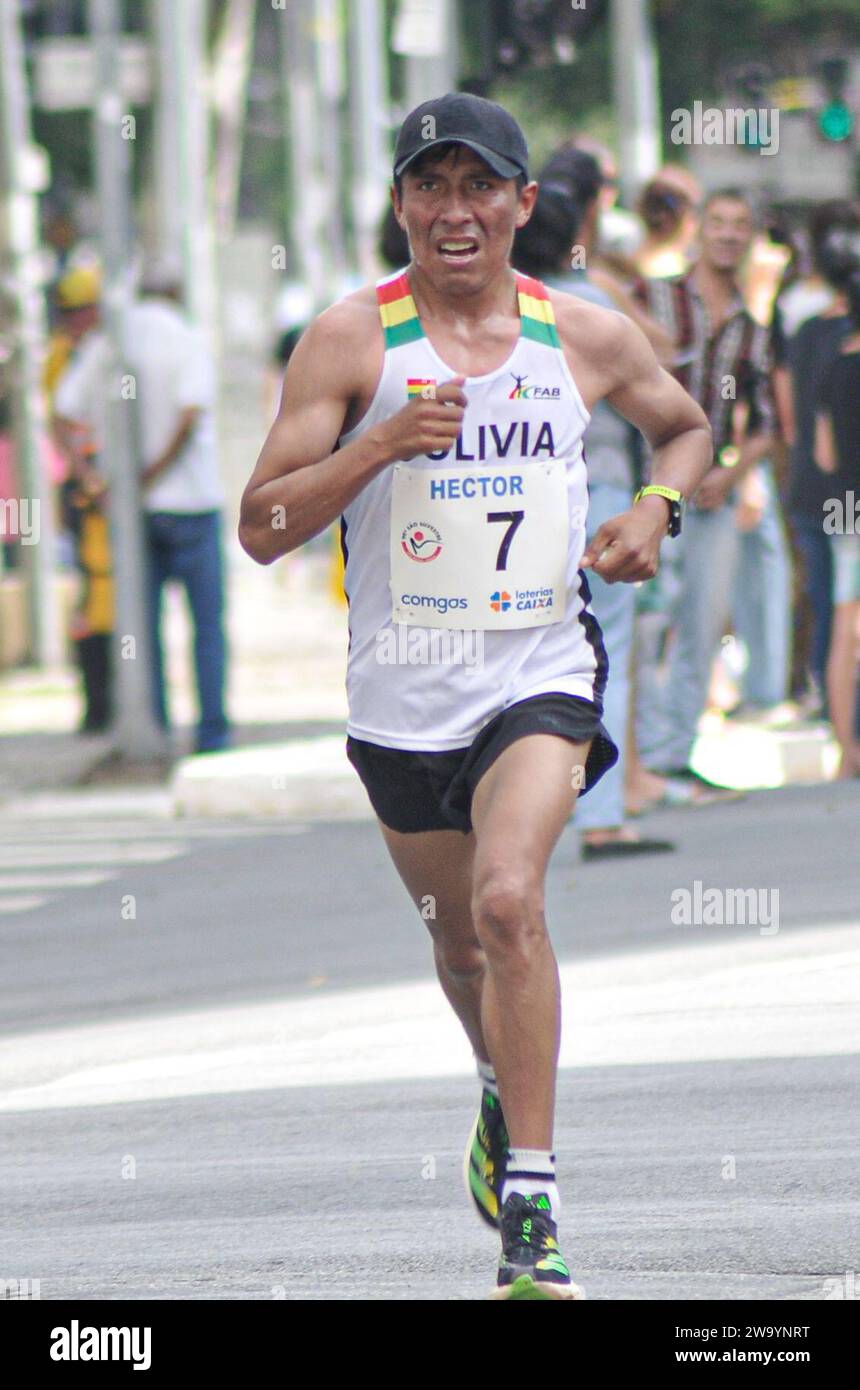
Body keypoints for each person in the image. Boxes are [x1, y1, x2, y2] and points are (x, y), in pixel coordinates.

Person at [239, 93, 712, 1299]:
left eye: (476, 187)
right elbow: (260, 527)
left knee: (509, 902)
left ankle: (534, 1218)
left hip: (537, 669)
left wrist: (655, 511)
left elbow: (684, 429)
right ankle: (500, 1087)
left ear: (519, 204)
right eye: (428, 186)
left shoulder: (584, 334)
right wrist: (377, 448)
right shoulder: (350, 341)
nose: (453, 211)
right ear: (400, 204)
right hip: (400, 695)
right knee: (456, 943)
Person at [513, 152, 675, 859]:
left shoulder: (498, 310)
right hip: (600, 494)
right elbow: (667, 366)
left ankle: (518, 820)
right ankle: (601, 814)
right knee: (596, 658)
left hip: (510, 503)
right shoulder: (591, 305)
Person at [54, 262, 231, 753]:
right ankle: (212, 732)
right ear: (175, 291)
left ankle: (154, 724)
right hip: (193, 505)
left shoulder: (110, 342)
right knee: (207, 628)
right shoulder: (188, 338)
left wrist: (95, 479)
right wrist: (154, 470)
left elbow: (64, 412)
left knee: (141, 628)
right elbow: (191, 412)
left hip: (134, 514)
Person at [635, 188, 775, 788]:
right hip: (649, 487)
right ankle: (638, 759)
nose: (727, 234)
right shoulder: (654, 299)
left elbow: (768, 424)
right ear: (699, 230)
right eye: (718, 221)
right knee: (645, 620)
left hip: (711, 496)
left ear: (749, 237)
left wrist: (734, 472)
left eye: (739, 224)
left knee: (703, 621)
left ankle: (674, 755)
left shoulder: (754, 325)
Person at [811, 230, 860, 775]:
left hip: (844, 504)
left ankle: (846, 751)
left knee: (846, 631)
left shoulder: (832, 369)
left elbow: (823, 453)